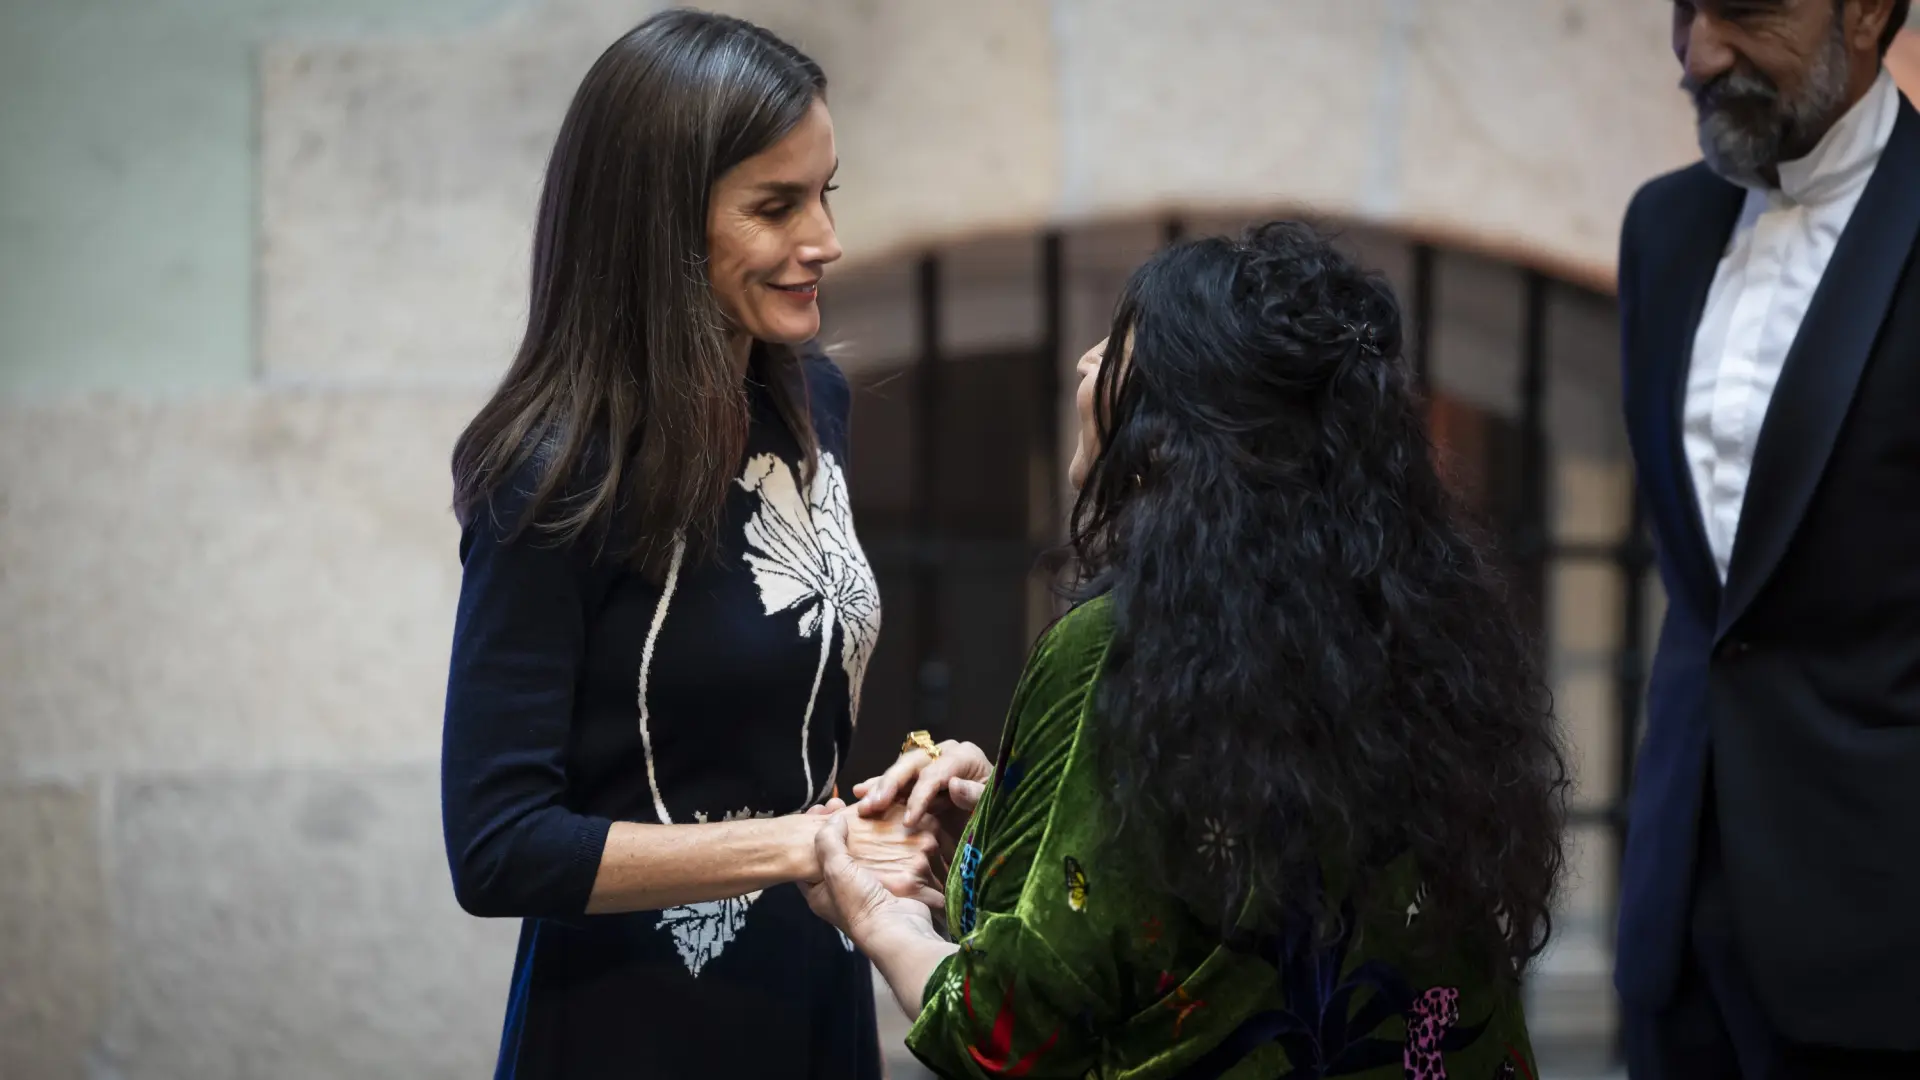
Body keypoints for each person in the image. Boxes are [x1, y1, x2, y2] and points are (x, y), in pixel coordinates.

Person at [806, 223, 1569, 1078]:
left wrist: (881, 917)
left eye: (1123, 345)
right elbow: (1215, 891)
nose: (1086, 359)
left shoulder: (1121, 646)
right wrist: (1012, 813)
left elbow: (1010, 1030)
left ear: (1173, 432)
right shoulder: (1408, 639)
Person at [438, 11, 939, 1078]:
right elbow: (498, 845)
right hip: (630, 1028)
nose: (826, 241)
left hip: (815, 988)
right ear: (659, 222)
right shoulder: (550, 469)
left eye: (825, 193)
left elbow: (767, 736)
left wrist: (878, 819)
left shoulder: (818, 400)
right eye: (776, 206)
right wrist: (805, 846)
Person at [1615, 1, 1920, 1075]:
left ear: (1872, 10)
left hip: (1886, 961)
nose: (1699, 53)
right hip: (1672, 930)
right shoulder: (1659, 229)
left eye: (1743, 9)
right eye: (1685, 8)